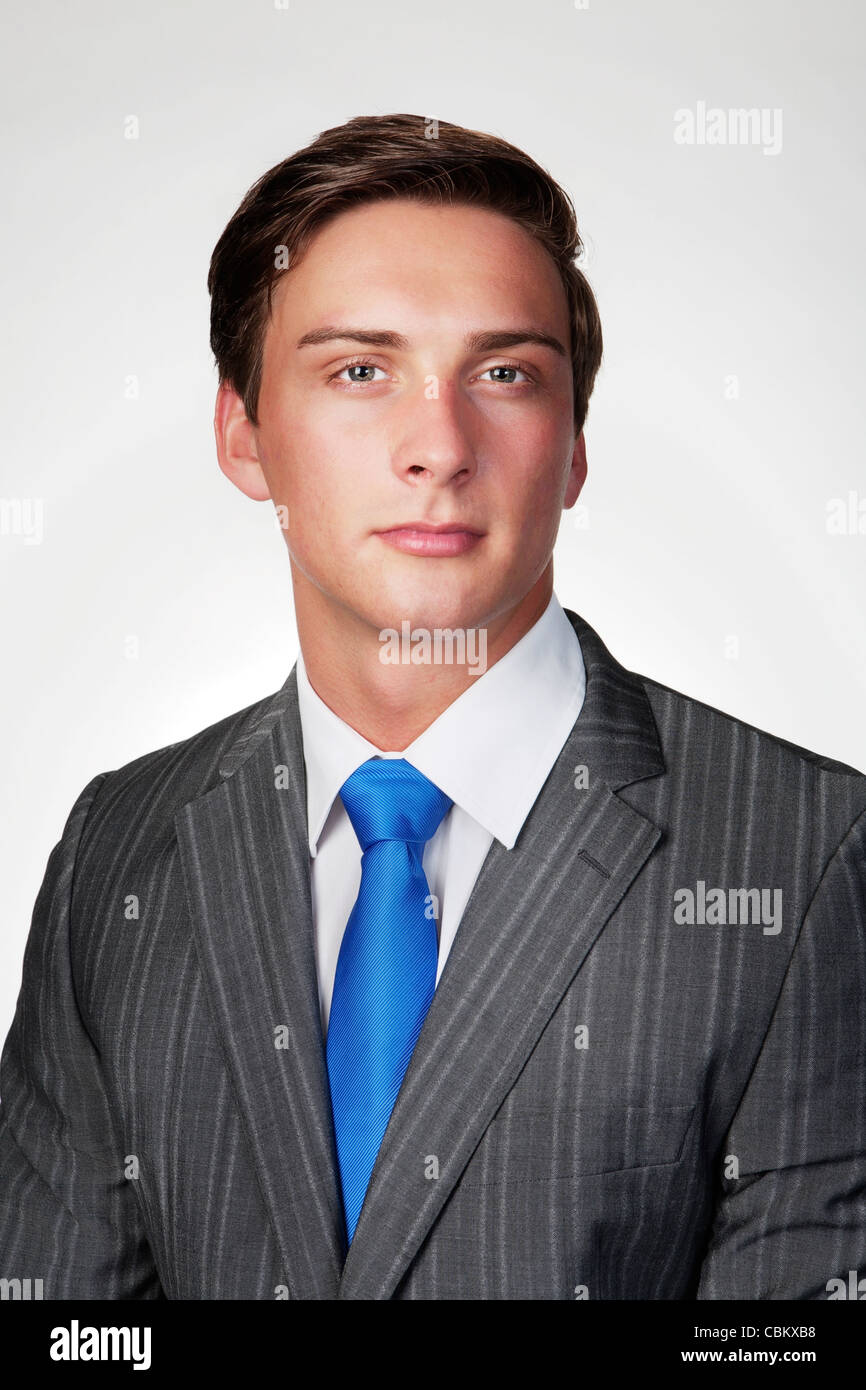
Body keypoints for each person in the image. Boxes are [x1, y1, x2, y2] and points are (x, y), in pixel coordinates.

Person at [1, 113, 864, 1301]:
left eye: (504, 373)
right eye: (360, 370)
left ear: (569, 446)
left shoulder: (807, 850)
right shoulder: (119, 847)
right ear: (244, 435)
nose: (438, 445)